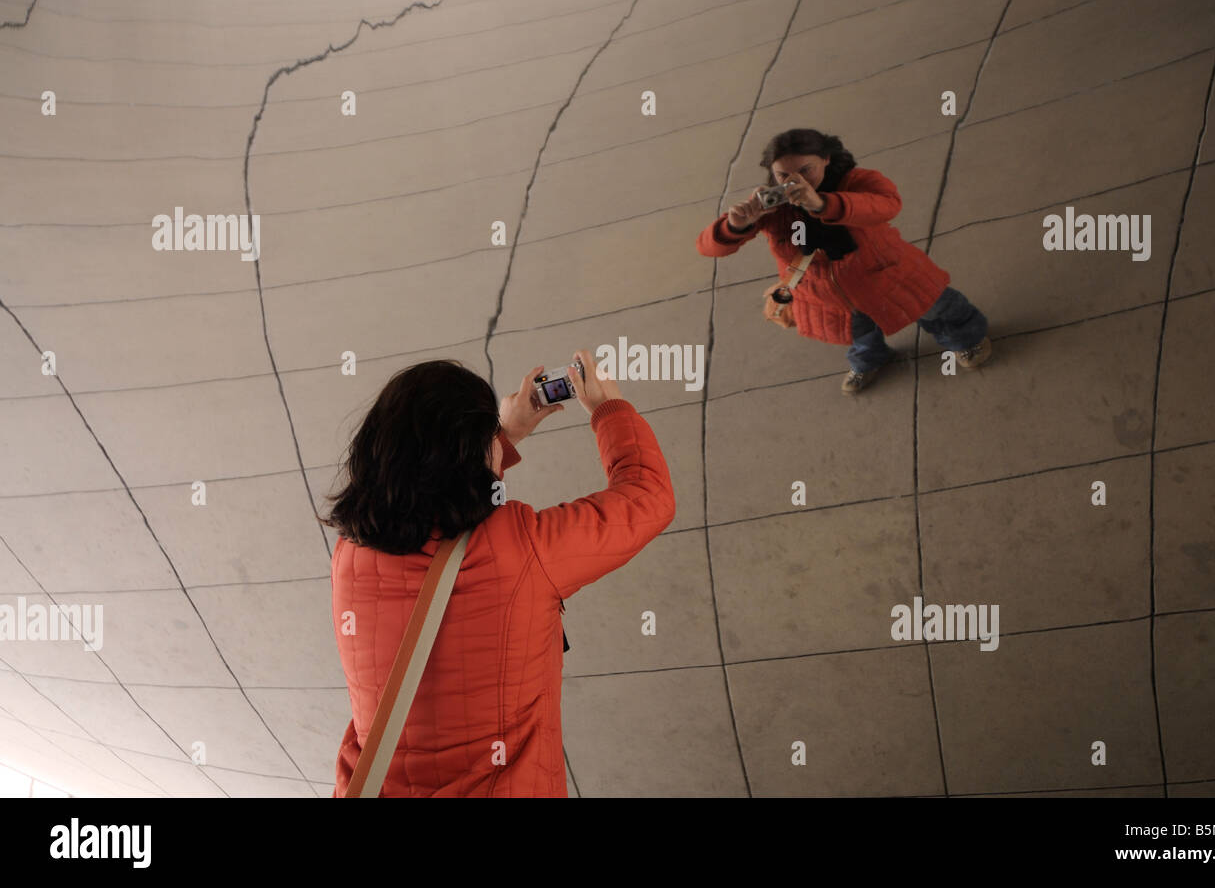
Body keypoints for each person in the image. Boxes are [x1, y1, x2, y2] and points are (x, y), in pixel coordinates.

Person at [319, 350, 674, 796]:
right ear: (472, 449)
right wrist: (609, 410)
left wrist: (503, 435)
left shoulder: (350, 553)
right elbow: (647, 497)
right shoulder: (525, 546)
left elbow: (438, 501)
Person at [696, 128, 992, 393]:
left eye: (805, 170)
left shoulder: (857, 181)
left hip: (885, 272)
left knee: (934, 306)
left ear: (826, 158)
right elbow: (709, 247)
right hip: (825, 291)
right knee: (859, 333)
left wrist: (823, 204)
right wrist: (736, 225)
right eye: (783, 176)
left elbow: (887, 205)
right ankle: (871, 359)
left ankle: (966, 338)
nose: (794, 181)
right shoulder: (771, 206)